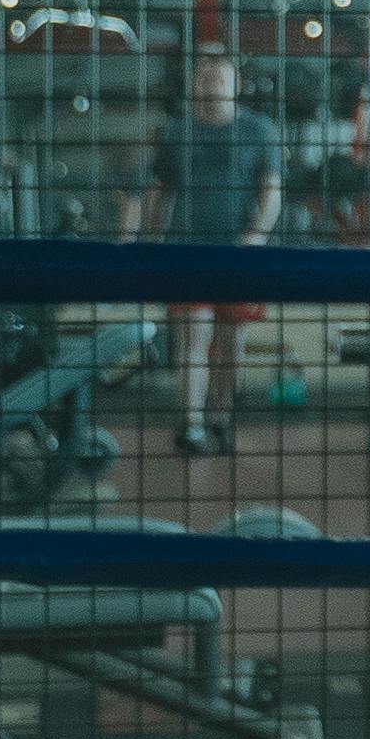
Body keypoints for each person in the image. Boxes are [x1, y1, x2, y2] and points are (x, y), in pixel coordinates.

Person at [126, 41, 281, 459]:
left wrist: (256, 235)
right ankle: (192, 425)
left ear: (236, 83)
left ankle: (221, 416)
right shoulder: (176, 130)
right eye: (206, 76)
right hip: (187, 251)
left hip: (238, 254)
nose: (213, 83)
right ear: (195, 82)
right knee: (193, 338)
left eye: (221, 76)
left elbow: (271, 189)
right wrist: (153, 241)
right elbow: (160, 189)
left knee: (231, 341)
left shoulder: (258, 130)